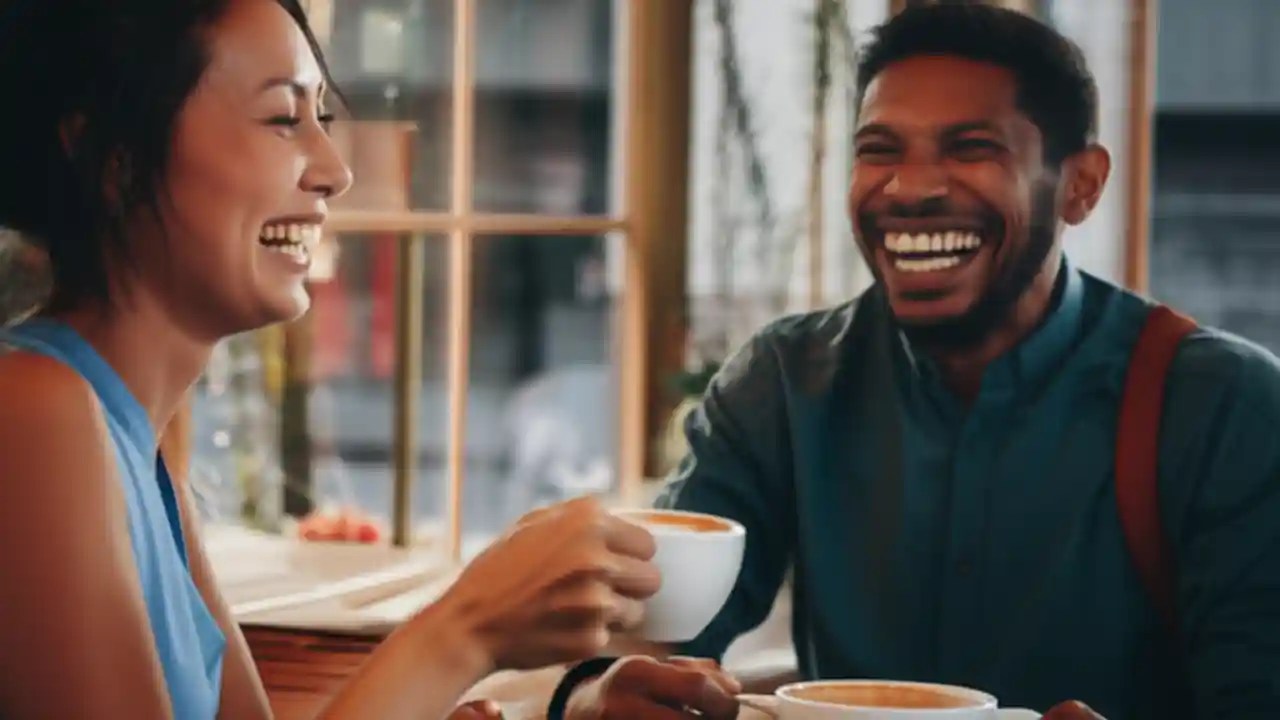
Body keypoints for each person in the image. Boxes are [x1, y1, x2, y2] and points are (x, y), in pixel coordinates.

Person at [550, 4, 1280, 720]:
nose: (912, 188)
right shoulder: (783, 383)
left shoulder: (1222, 406)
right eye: (879, 150)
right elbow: (648, 636)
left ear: (1081, 185)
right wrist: (595, 694)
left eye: (971, 148)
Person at [0, 1, 662, 718]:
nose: (334, 170)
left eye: (323, 117)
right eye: (285, 119)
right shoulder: (32, 414)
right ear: (116, 162)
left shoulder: (145, 463)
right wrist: (465, 630)